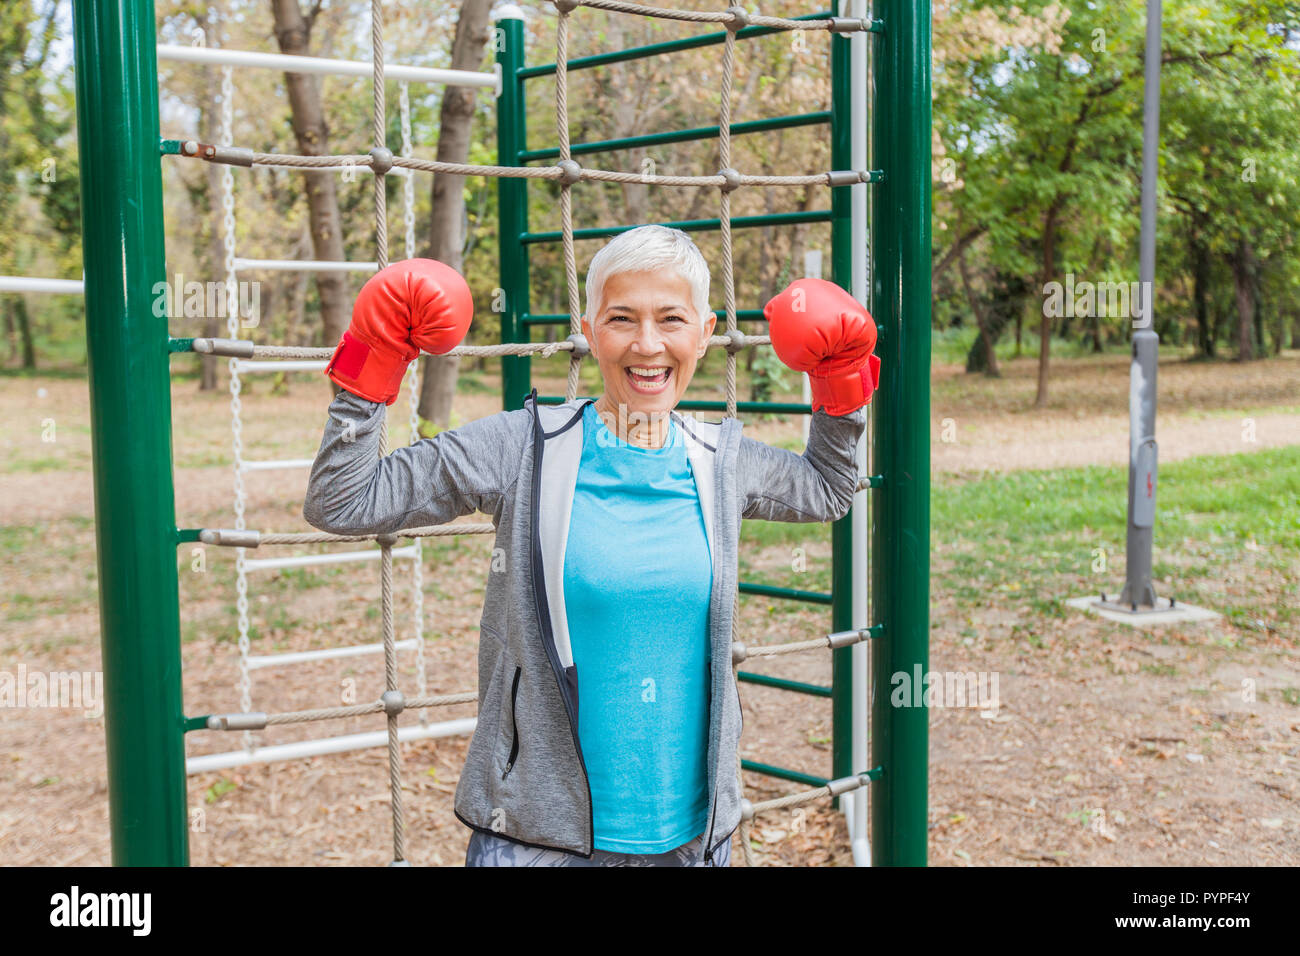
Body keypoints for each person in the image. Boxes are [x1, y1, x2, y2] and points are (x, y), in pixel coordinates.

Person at [303, 224, 879, 866]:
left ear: (707, 330)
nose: (648, 344)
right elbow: (343, 500)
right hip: (540, 841)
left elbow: (829, 488)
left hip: (692, 840)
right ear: (589, 326)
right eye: (622, 319)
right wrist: (372, 357)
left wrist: (844, 376)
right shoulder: (524, 448)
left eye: (672, 319)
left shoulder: (721, 461)